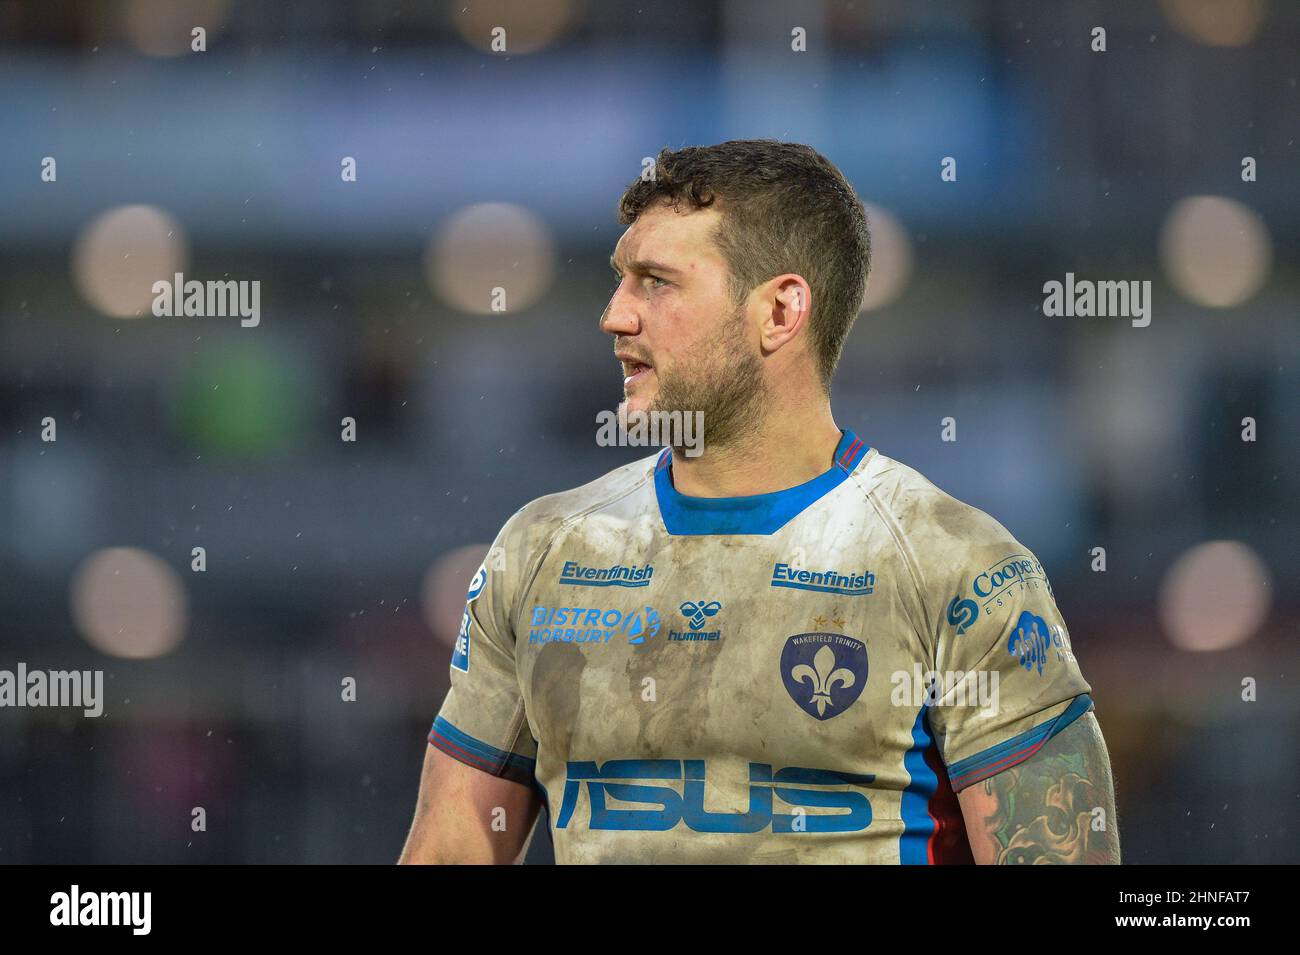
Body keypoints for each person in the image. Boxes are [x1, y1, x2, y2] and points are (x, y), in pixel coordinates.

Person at [400, 140, 1120, 864]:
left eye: (655, 282)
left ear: (779, 311)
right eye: (621, 280)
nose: (614, 316)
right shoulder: (542, 552)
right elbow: (448, 849)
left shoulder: (959, 570)